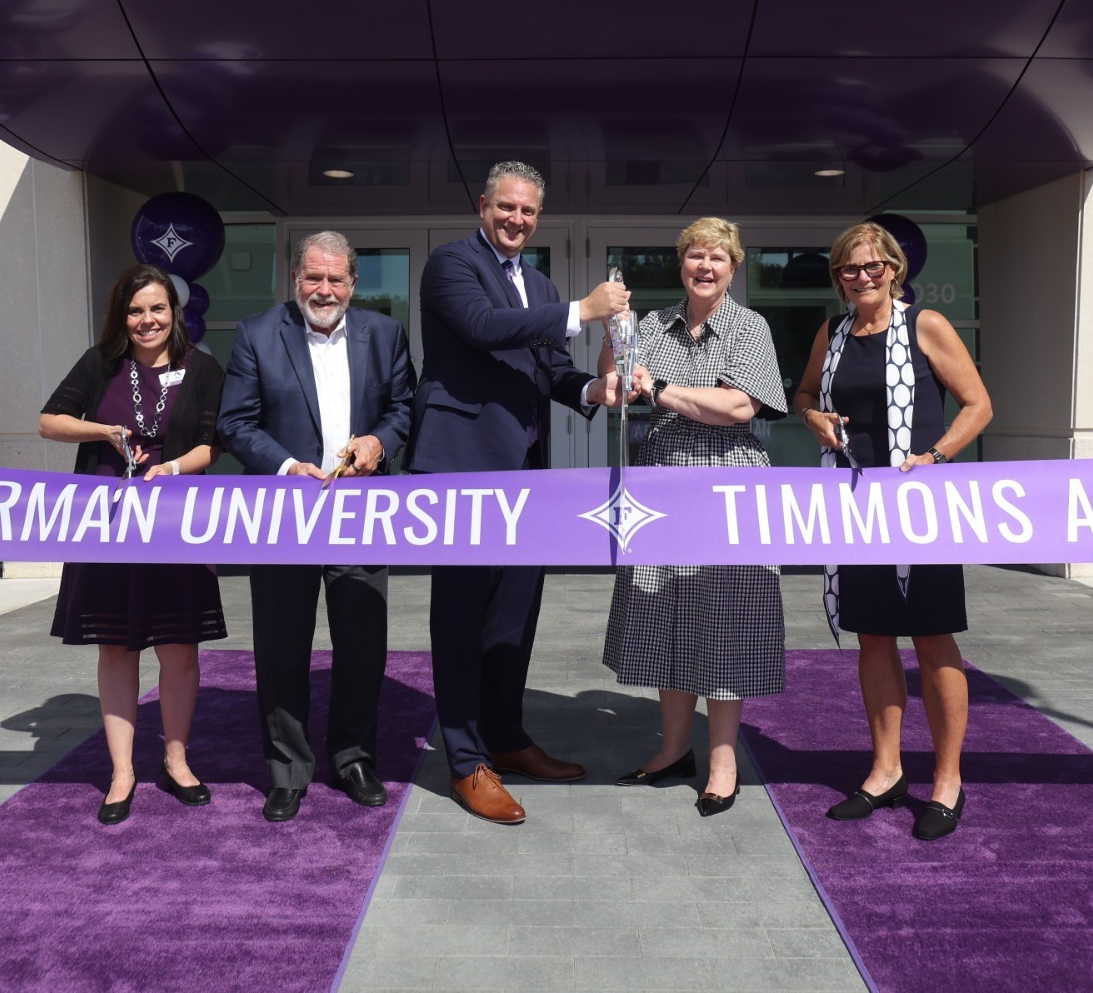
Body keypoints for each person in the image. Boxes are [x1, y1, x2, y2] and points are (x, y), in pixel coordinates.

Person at [408, 160, 626, 825]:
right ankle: (466, 759)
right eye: (507, 207)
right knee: (462, 617)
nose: (517, 220)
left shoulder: (538, 281)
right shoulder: (451, 264)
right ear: (483, 204)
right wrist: (583, 310)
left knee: (511, 618)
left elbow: (554, 372)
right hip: (464, 468)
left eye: (528, 211)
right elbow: (481, 327)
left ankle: (506, 736)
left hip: (525, 473)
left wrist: (597, 389)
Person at [793, 220, 992, 841]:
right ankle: (885, 771)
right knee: (874, 638)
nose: (863, 276)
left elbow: (979, 403)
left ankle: (947, 780)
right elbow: (803, 394)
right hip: (857, 508)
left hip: (920, 509)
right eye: (850, 268)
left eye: (874, 265)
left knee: (933, 640)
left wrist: (935, 457)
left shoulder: (925, 325)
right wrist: (813, 416)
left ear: (894, 269)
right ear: (839, 277)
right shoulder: (834, 330)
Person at [219, 232, 415, 823]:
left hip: (359, 513)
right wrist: (285, 467)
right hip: (284, 513)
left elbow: (405, 406)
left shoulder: (385, 335)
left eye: (335, 279)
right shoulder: (257, 334)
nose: (323, 289)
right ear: (294, 278)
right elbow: (235, 422)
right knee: (281, 645)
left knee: (362, 644)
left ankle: (354, 758)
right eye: (313, 277)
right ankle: (287, 770)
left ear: (353, 283)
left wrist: (380, 442)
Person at [602, 218, 788, 818]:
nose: (705, 267)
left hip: (730, 487)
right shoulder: (652, 325)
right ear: (680, 264)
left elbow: (738, 405)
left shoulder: (748, 326)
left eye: (717, 258)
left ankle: (724, 758)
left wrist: (660, 390)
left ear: (733, 267)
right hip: (661, 486)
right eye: (694, 257)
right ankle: (675, 748)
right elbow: (617, 386)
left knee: (726, 617)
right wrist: (614, 339)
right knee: (666, 613)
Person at [41, 263, 227, 825]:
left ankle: (176, 759)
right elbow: (50, 421)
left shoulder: (205, 368)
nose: (147, 321)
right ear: (122, 316)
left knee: (178, 648)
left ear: (175, 313)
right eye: (136, 310)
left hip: (175, 522)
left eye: (157, 309)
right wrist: (103, 432)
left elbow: (211, 444)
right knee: (117, 646)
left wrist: (170, 467)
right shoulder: (100, 364)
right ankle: (122, 772)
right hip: (107, 524)